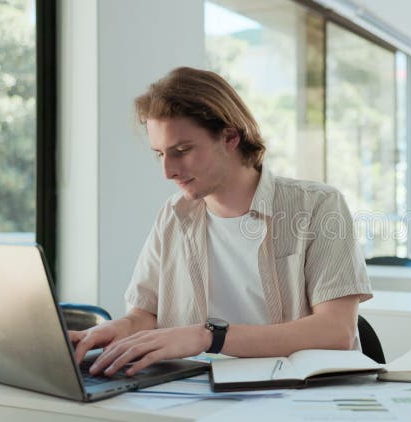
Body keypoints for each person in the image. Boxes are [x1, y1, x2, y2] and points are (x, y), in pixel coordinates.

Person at [70, 67, 372, 377]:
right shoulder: (173, 215)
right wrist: (120, 328)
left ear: (230, 136)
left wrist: (210, 337)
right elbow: (146, 313)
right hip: (200, 394)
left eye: (182, 150)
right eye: (159, 154)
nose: (168, 171)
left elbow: (336, 331)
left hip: (300, 397)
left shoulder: (318, 206)